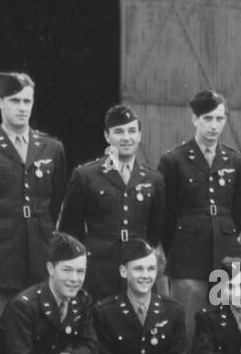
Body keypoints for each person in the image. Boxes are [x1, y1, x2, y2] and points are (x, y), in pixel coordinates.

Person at [0, 72, 68, 353]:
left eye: (27, 100)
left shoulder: (51, 148)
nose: (22, 107)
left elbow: (55, 204)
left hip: (39, 256)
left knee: (38, 338)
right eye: (15, 100)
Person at [158, 90, 241, 347]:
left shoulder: (235, 160)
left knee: (223, 327)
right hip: (187, 256)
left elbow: (237, 213)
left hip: (224, 256)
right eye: (208, 118)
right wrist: (177, 248)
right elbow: (165, 218)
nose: (214, 125)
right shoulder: (173, 160)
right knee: (186, 326)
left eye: (220, 119)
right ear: (194, 119)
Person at [58, 104, 166, 301]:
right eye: (119, 132)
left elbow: (154, 231)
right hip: (98, 270)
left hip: (137, 269)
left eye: (132, 131)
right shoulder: (86, 176)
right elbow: (70, 231)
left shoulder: (153, 179)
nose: (126, 137)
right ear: (107, 136)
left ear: (140, 135)